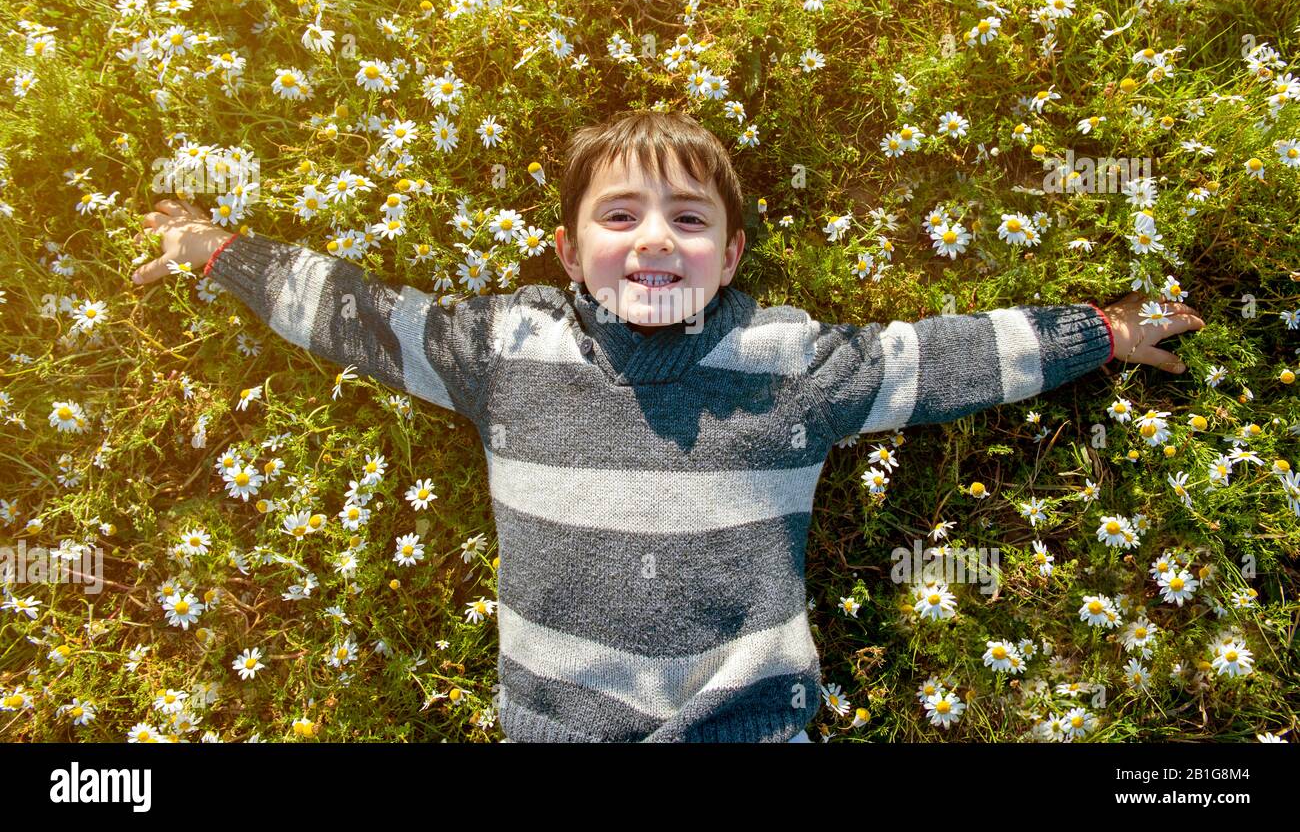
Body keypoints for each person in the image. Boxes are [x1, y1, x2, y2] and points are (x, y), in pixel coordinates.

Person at [130, 110, 1204, 742]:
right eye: (620, 216)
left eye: (689, 220)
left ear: (731, 256)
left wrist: (1100, 332)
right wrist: (221, 253)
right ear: (566, 248)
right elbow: (359, 317)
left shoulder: (790, 364)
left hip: (747, 719)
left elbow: (937, 362)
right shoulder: (505, 347)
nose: (655, 240)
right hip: (558, 723)